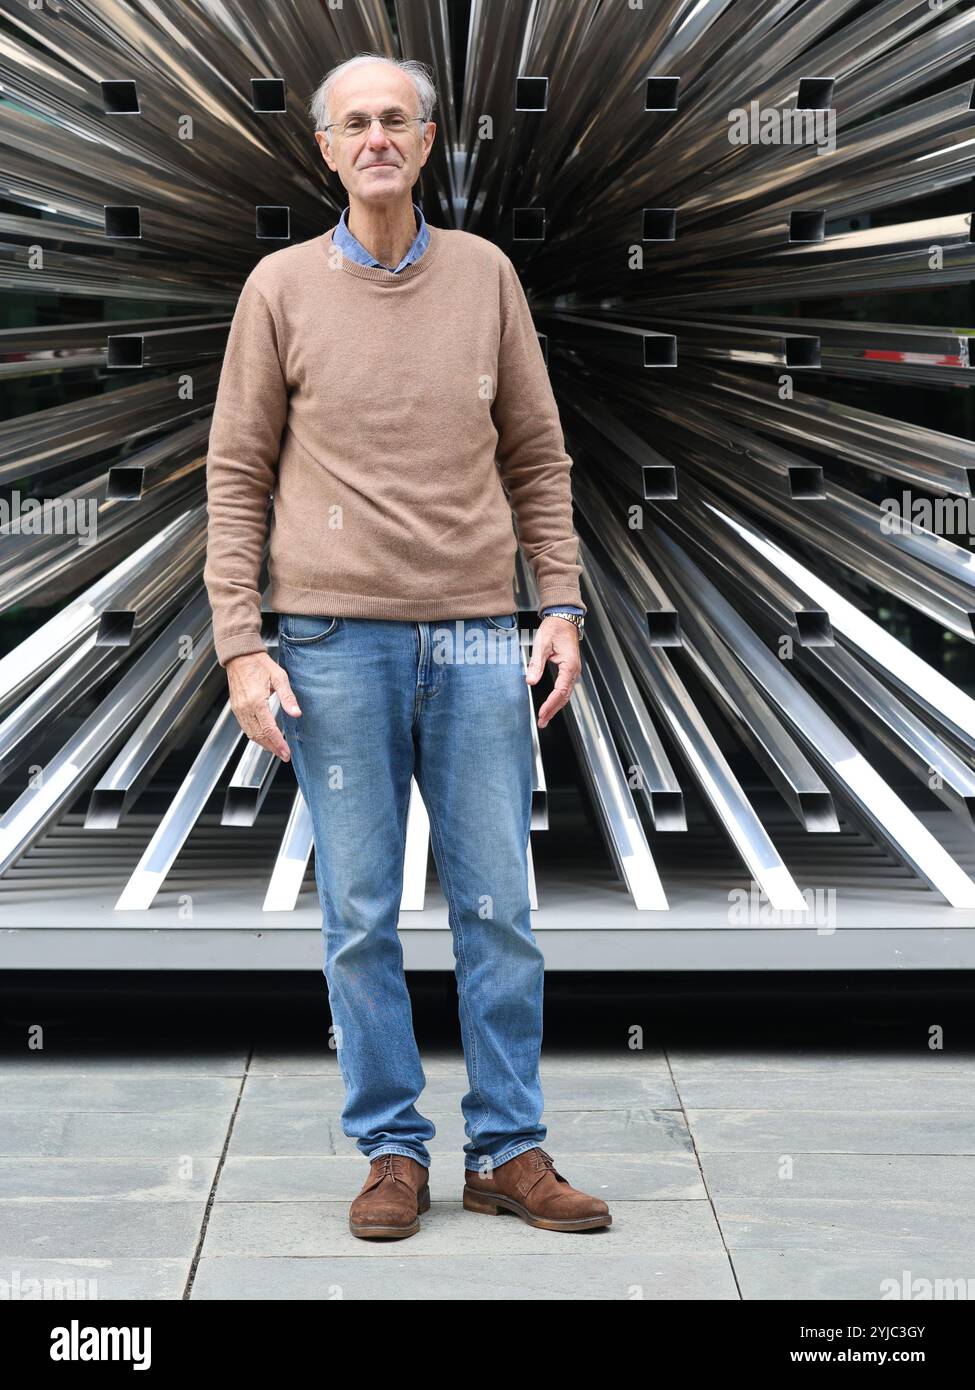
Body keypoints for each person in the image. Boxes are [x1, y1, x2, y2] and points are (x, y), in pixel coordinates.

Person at [203, 52, 611, 1239]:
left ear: (429, 144)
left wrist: (563, 603)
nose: (377, 138)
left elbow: (538, 452)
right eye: (355, 123)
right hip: (332, 644)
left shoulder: (486, 276)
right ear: (325, 149)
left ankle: (509, 1148)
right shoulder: (278, 289)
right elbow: (235, 477)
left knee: (498, 908)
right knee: (364, 915)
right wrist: (242, 644)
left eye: (397, 121)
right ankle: (391, 1151)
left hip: (483, 634)